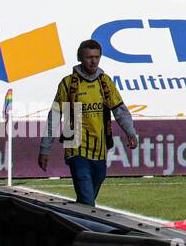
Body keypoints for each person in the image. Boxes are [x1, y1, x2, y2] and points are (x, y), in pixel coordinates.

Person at [36, 40, 139, 206]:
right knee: (87, 199)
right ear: (80, 58)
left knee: (87, 198)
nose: (93, 61)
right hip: (75, 146)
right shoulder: (67, 83)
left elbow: (120, 110)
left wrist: (131, 132)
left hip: (100, 148)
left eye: (97, 57)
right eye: (89, 57)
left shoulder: (105, 82)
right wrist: (44, 148)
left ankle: (76, 221)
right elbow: (54, 116)